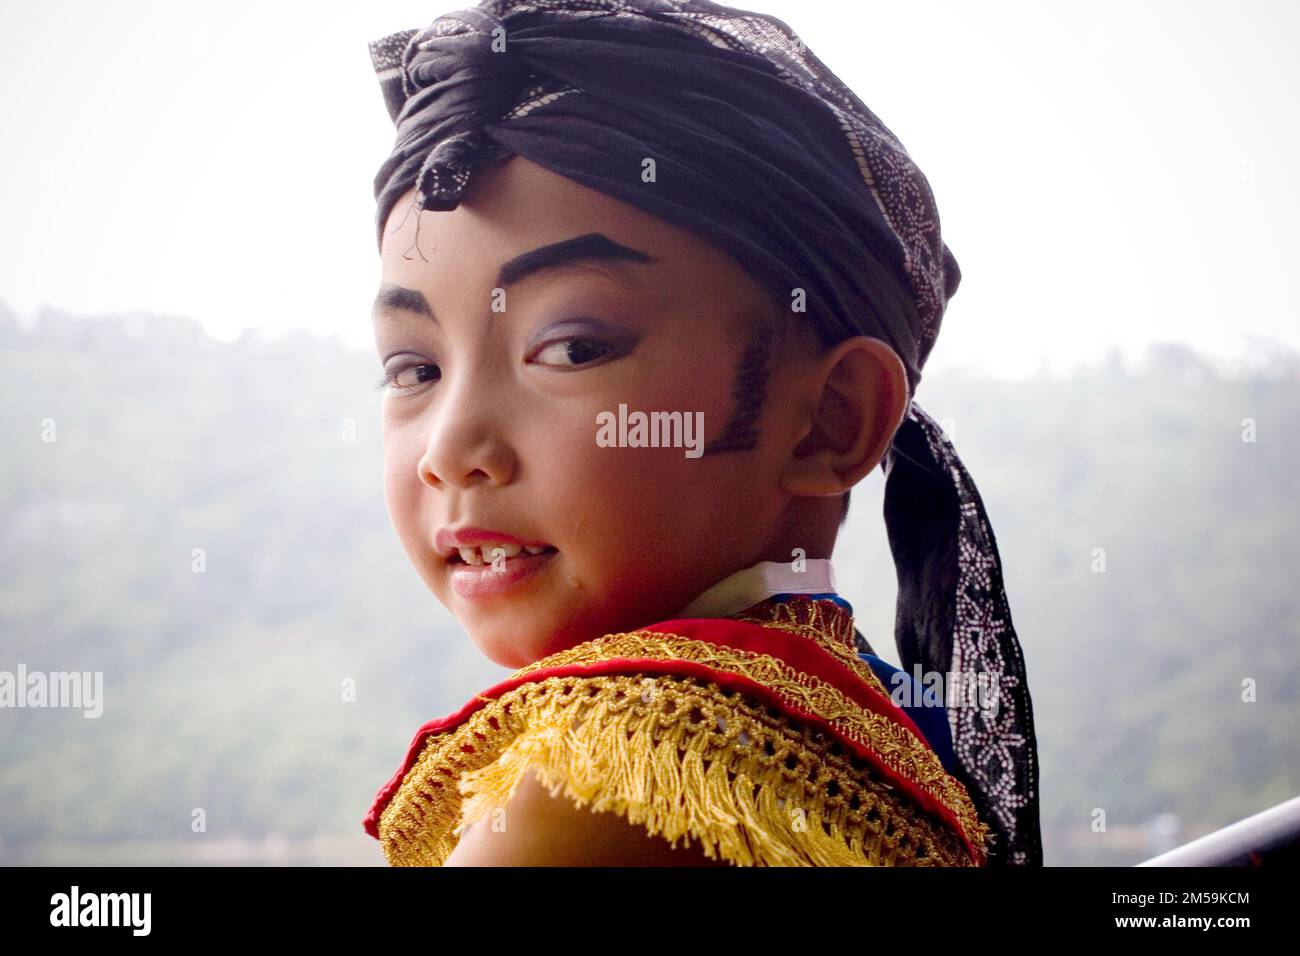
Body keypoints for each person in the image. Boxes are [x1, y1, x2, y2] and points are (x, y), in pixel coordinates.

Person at [361, 0, 1042, 866]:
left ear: (831, 420)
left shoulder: (609, 779)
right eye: (414, 370)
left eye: (571, 348)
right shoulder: (855, 729)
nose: (449, 450)